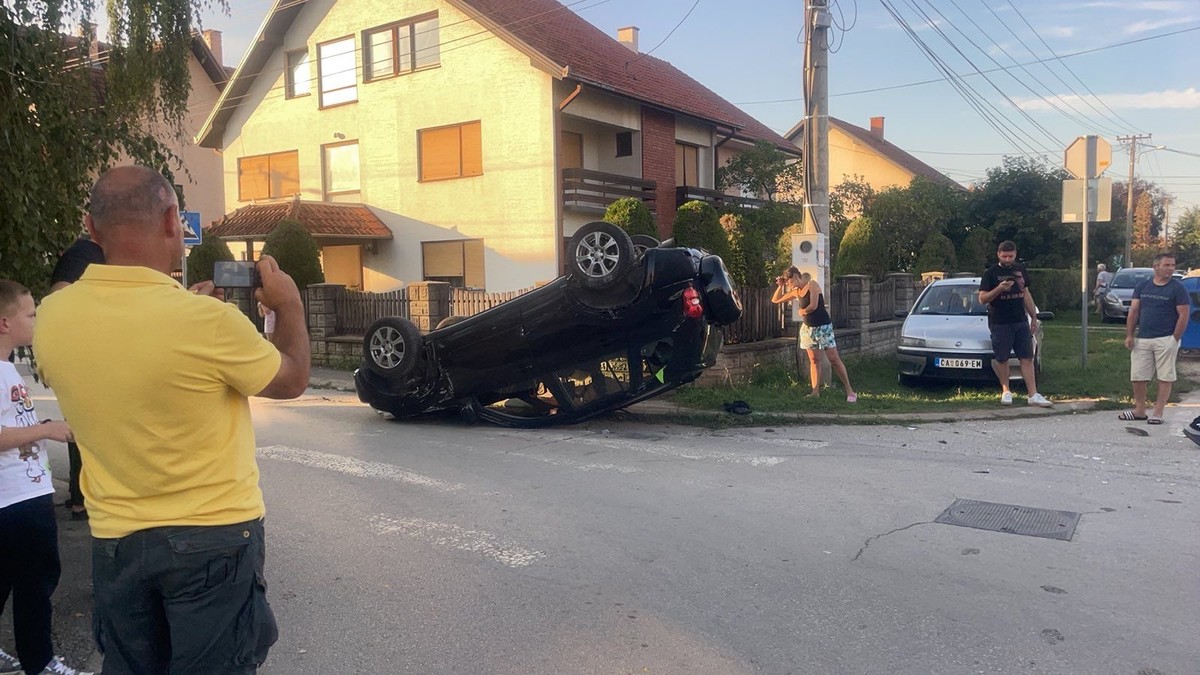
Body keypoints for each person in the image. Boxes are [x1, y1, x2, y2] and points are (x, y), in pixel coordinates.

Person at [34, 166, 311, 673]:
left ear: (92, 231)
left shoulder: (52, 316)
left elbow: (128, 357)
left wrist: (186, 310)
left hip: (116, 540)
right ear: (171, 220)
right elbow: (290, 379)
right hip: (214, 538)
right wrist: (289, 306)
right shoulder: (208, 323)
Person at [0, 280, 90, 675]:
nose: (36, 321)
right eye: (31, 314)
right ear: (5, 323)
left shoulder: (8, 370)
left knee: (11, 581)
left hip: (25, 492)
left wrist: (42, 424)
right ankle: (40, 663)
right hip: (16, 499)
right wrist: (46, 431)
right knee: (36, 585)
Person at [47, 237, 105, 522]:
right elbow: (60, 295)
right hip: (87, 358)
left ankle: (82, 498)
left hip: (94, 356)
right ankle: (81, 500)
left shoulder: (98, 253)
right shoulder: (87, 252)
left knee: (86, 431)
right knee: (84, 431)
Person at [977, 241, 1052, 407]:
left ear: (1015, 254)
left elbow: (1025, 293)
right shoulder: (990, 273)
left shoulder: (1020, 270)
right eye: (1004, 256)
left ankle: (1033, 394)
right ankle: (1006, 391)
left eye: (1010, 256)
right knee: (1002, 358)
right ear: (998, 254)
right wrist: (999, 289)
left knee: (1027, 357)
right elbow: (982, 299)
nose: (1007, 259)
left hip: (1020, 320)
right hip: (999, 322)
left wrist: (1033, 316)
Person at [1118, 252, 1188, 425]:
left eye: (1173, 265)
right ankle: (1139, 410)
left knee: (1165, 376)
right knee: (1138, 375)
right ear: (1156, 266)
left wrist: (1174, 339)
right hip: (1143, 338)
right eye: (1167, 265)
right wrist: (1129, 335)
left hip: (1166, 338)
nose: (1171, 269)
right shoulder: (1143, 286)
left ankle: (1158, 413)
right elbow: (1134, 311)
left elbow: (1184, 315)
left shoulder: (1177, 288)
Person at [771, 267, 857, 402]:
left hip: (823, 327)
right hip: (808, 329)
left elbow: (813, 306)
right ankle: (815, 392)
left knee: (834, 359)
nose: (788, 284)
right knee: (814, 361)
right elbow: (775, 300)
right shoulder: (796, 292)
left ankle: (850, 391)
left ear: (795, 277)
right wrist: (780, 286)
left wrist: (802, 311)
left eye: (788, 282)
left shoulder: (812, 285)